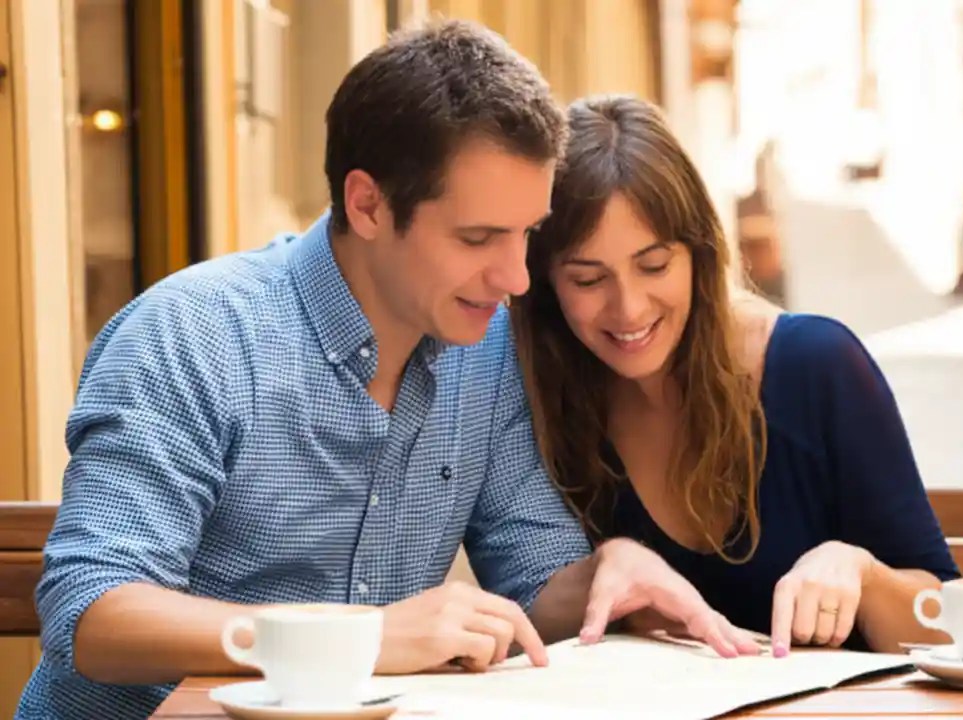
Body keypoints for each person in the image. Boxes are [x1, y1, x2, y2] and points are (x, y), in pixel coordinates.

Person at [18, 25, 758, 720]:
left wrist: (607, 575)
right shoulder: (194, 335)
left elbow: (534, 582)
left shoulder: (488, 347)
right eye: (478, 237)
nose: (517, 277)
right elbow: (90, 610)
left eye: (527, 234)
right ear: (368, 204)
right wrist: (357, 636)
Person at [508, 95, 960, 660]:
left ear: (698, 255)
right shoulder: (545, 388)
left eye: (654, 266)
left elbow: (950, 627)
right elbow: (526, 603)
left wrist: (863, 574)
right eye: (587, 279)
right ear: (546, 284)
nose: (628, 309)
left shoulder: (816, 365)